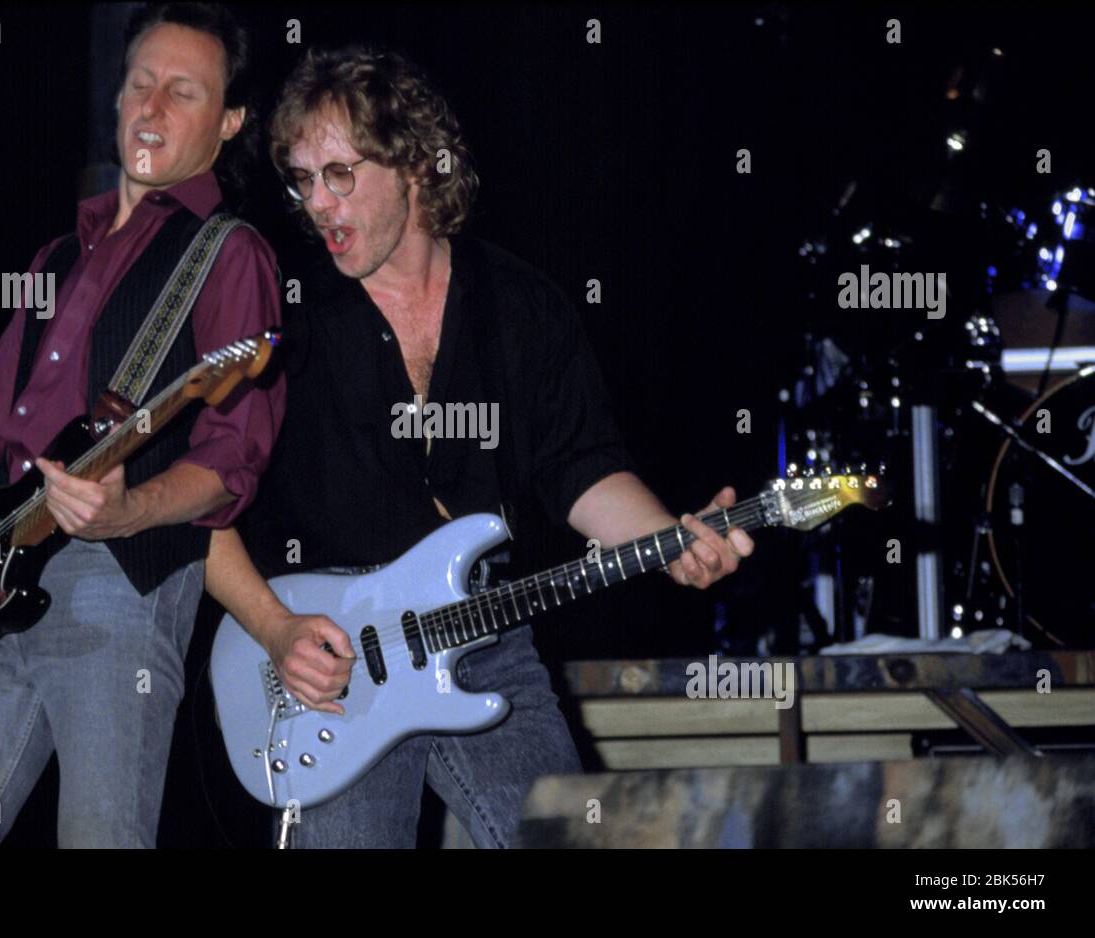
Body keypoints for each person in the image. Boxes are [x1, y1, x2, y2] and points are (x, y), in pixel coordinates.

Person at [206, 46, 752, 848]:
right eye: (302, 180)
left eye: (340, 174)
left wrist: (668, 542)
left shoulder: (523, 308)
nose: (317, 203)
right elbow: (199, 496)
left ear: (417, 164)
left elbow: (582, 468)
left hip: (486, 641)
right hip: (329, 664)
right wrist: (276, 632)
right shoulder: (287, 321)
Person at [0, 3, 283, 848]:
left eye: (184, 92)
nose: (152, 107)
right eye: (141, 84)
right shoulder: (52, 259)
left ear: (231, 122)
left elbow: (232, 457)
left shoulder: (230, 254)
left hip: (123, 584)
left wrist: (128, 511)